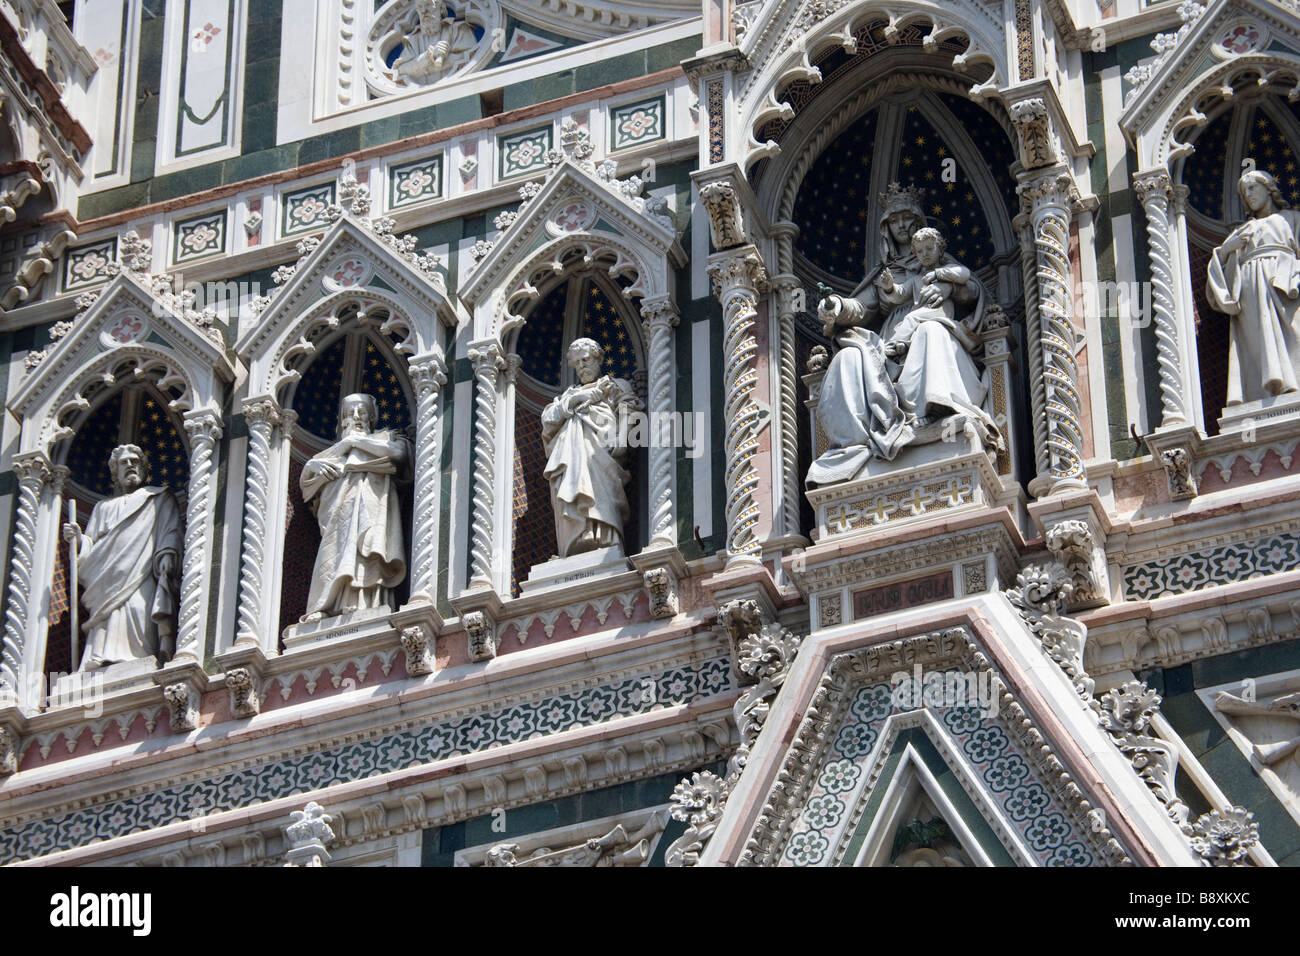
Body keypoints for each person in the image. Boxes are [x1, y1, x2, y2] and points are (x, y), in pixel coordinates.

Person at [63, 444, 182, 669]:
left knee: (139, 609)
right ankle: (100, 659)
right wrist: (78, 540)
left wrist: (168, 553)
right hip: (107, 582)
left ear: (144, 469)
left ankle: (141, 657)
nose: (130, 466)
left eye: (135, 462)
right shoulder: (102, 508)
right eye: (124, 462)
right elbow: (92, 547)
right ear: (115, 473)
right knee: (105, 624)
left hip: (142, 575)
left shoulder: (158, 498)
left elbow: (170, 530)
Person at [300, 394, 410, 623]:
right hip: (338, 518)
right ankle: (327, 606)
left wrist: (354, 442)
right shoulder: (330, 454)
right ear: (341, 419)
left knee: (368, 552)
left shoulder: (384, 439)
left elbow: (399, 454)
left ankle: (369, 604)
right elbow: (307, 484)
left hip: (373, 511)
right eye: (350, 413)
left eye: (362, 412)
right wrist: (313, 464)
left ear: (372, 416)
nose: (356, 417)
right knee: (335, 554)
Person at [541, 338, 643, 557]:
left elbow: (630, 409)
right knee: (569, 484)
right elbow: (548, 420)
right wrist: (578, 398)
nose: (582, 366)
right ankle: (575, 539)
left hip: (601, 449)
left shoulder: (614, 385)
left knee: (599, 488)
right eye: (577, 363)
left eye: (586, 359)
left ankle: (607, 538)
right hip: (570, 452)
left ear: (599, 358)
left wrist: (623, 437)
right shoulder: (568, 395)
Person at [1207, 167, 1300, 406]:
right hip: (1250, 296)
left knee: (1293, 338)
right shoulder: (1241, 231)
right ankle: (1263, 399)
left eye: (1252, 188)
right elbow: (1218, 275)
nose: (1248, 195)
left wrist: (1294, 276)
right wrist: (1229, 248)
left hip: (1285, 286)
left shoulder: (1291, 219)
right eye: (1244, 192)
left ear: (1268, 189)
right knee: (1257, 347)